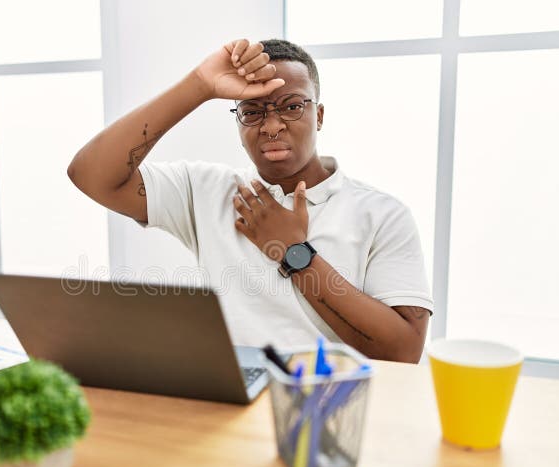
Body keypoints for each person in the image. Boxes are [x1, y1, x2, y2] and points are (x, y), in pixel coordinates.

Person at [67, 38, 432, 363]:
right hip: (230, 403)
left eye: (291, 107)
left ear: (318, 116)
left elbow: (403, 352)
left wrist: (294, 252)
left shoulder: (382, 214)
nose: (271, 126)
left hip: (327, 405)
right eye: (253, 112)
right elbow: (91, 175)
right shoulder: (208, 190)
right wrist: (200, 85)